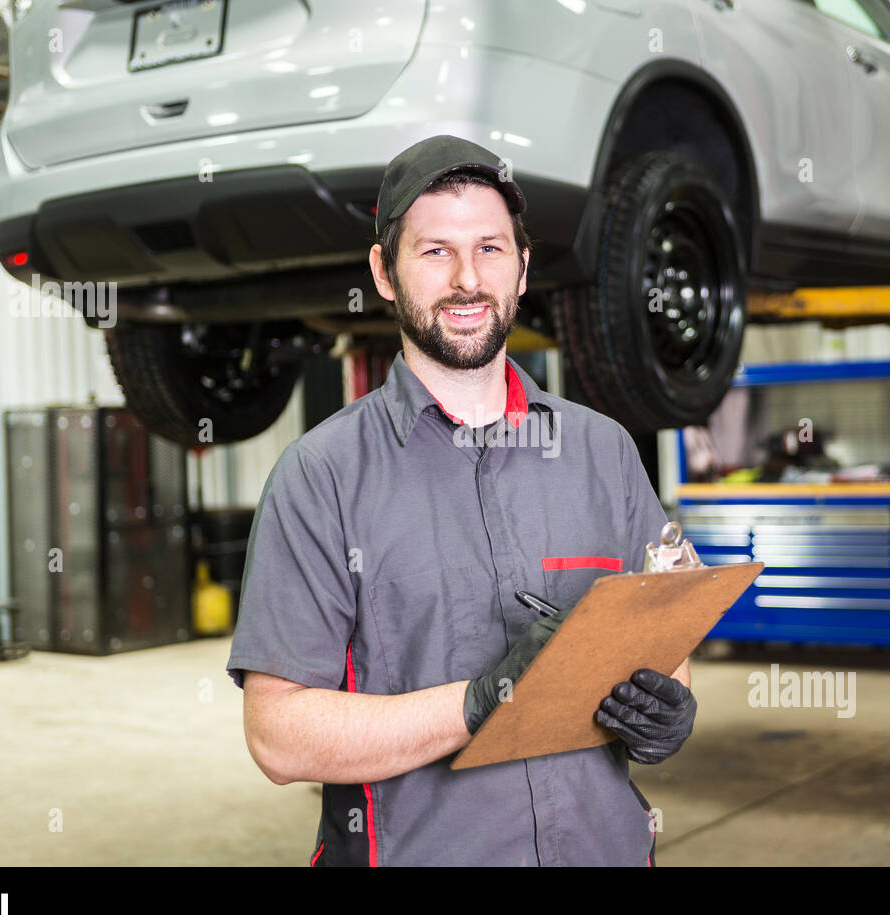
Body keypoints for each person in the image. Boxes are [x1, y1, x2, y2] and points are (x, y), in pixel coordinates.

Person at [227, 134, 698, 866]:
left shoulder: (604, 453)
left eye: (490, 249)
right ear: (384, 272)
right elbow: (278, 737)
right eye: (435, 252)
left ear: (522, 268)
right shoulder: (320, 477)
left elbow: (664, 640)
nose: (468, 280)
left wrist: (662, 710)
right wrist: (480, 699)